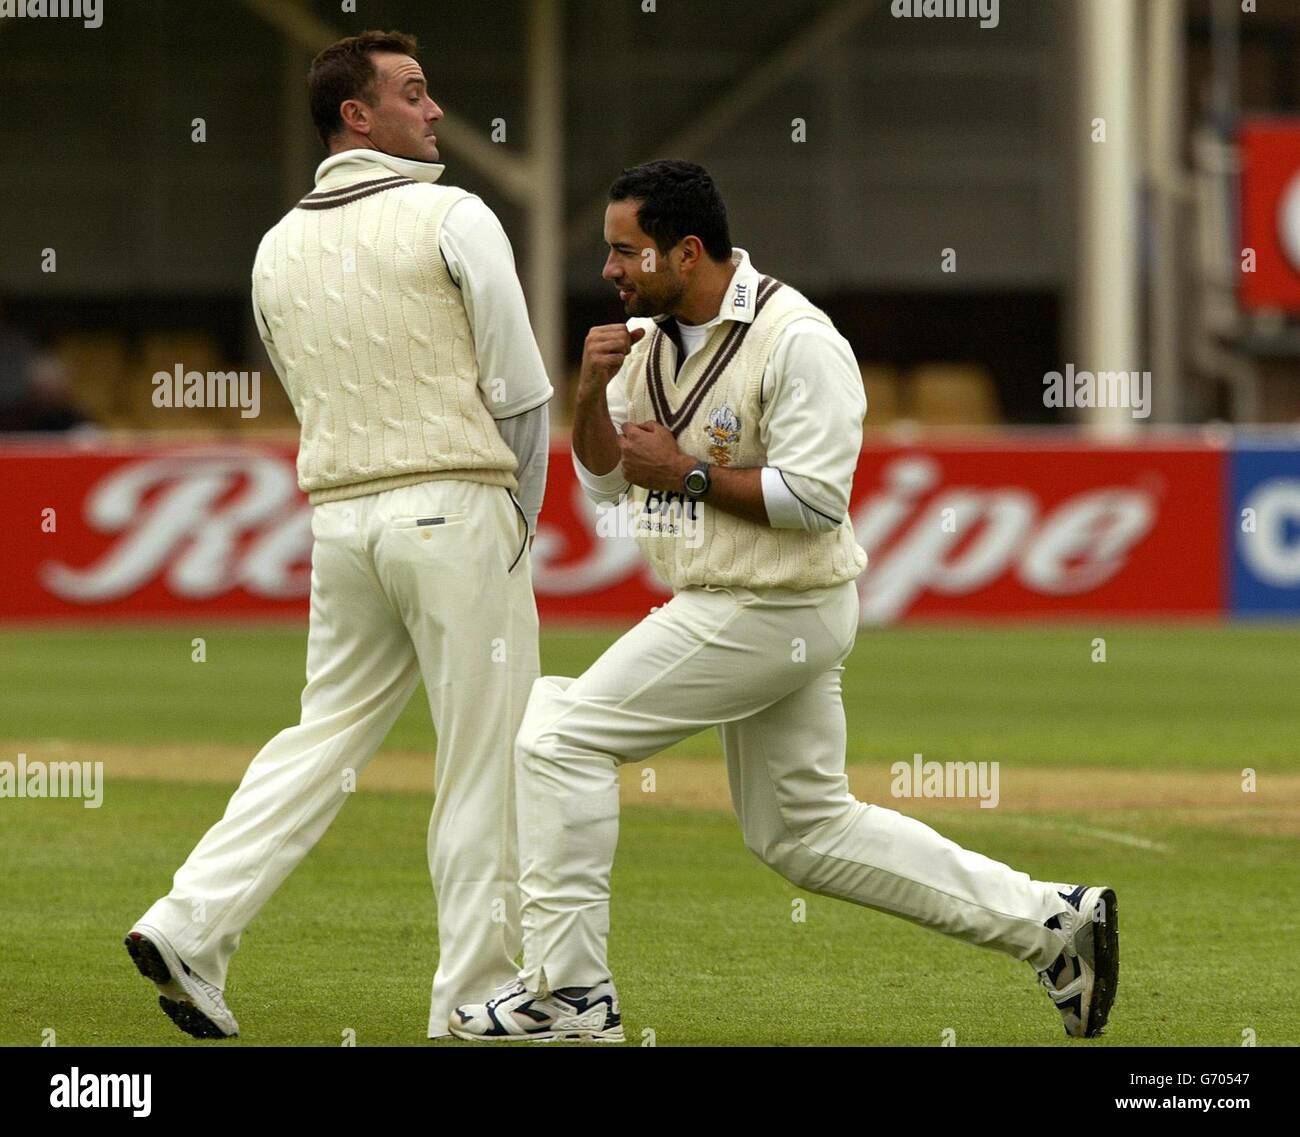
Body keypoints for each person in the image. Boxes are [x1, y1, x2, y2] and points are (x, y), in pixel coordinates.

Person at [450, 160, 1117, 1043]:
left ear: (687, 253)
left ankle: (570, 996)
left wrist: (683, 473)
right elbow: (609, 488)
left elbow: (816, 500)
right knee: (803, 834)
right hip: (737, 601)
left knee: (557, 736)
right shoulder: (642, 340)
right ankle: (1054, 923)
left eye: (626, 252)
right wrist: (586, 397)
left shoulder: (798, 338)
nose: (609, 270)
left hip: (774, 603)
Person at [126, 30, 552, 1041]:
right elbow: (522, 393)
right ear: (355, 116)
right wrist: (518, 519)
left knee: (321, 737)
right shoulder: (454, 214)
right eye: (412, 93)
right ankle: (475, 1001)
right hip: (455, 504)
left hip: (341, 520)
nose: (435, 109)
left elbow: (302, 380)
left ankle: (191, 919)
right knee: (488, 760)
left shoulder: (275, 243)